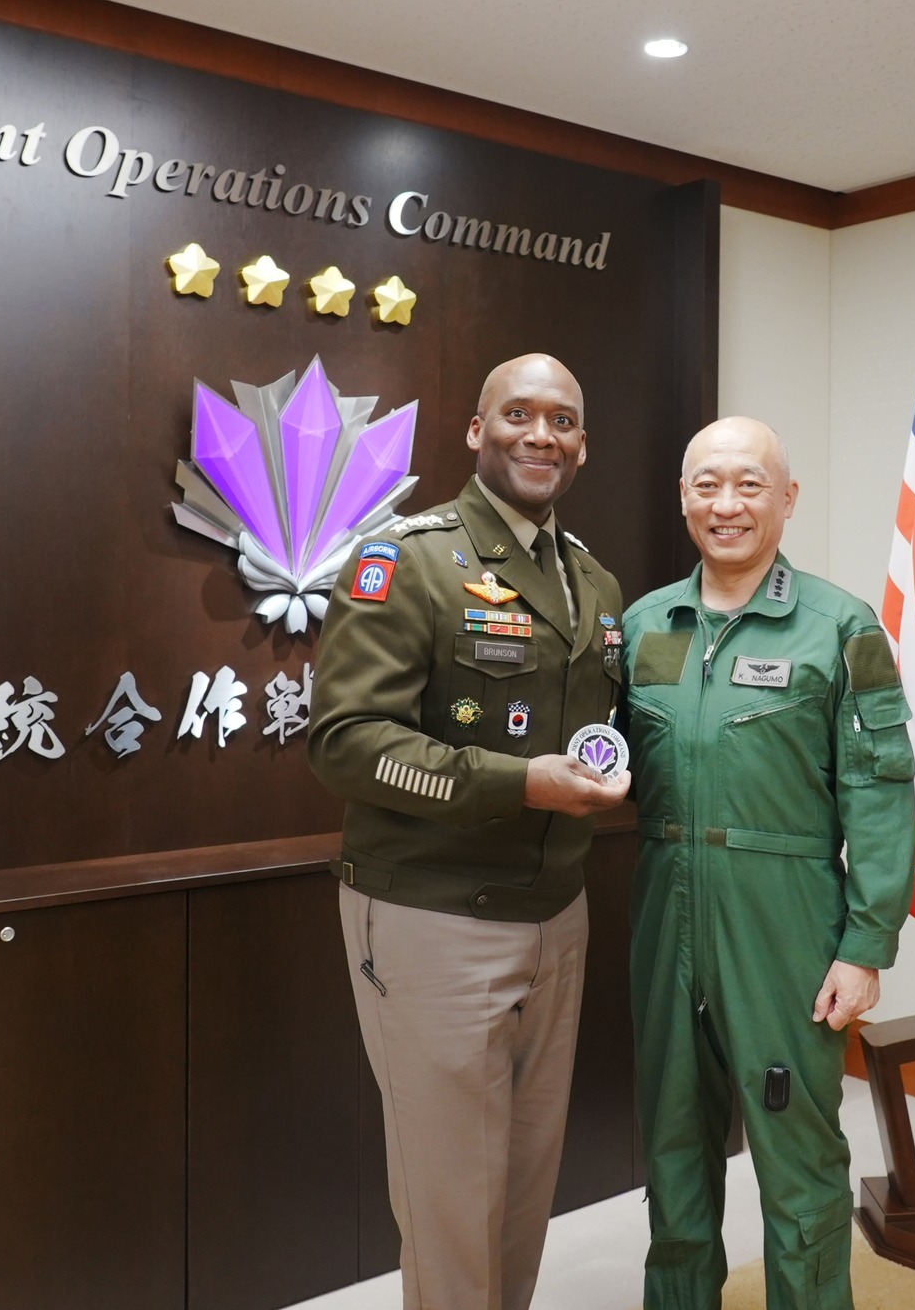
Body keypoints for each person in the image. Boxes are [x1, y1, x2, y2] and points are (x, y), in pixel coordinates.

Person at [308, 354, 631, 1310]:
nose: (541, 435)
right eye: (519, 415)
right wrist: (516, 782)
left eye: (562, 420)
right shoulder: (403, 559)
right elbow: (344, 742)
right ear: (474, 430)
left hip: (555, 917)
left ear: (583, 443)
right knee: (451, 1200)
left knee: (523, 1189)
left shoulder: (593, 581)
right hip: (432, 917)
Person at [622, 416, 915, 1310]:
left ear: (787, 500)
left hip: (784, 929)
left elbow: (879, 791)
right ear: (683, 499)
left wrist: (865, 944)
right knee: (673, 1161)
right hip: (664, 919)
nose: (726, 503)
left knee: (798, 1172)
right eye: (706, 484)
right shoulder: (643, 625)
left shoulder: (840, 627)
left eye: (749, 483)